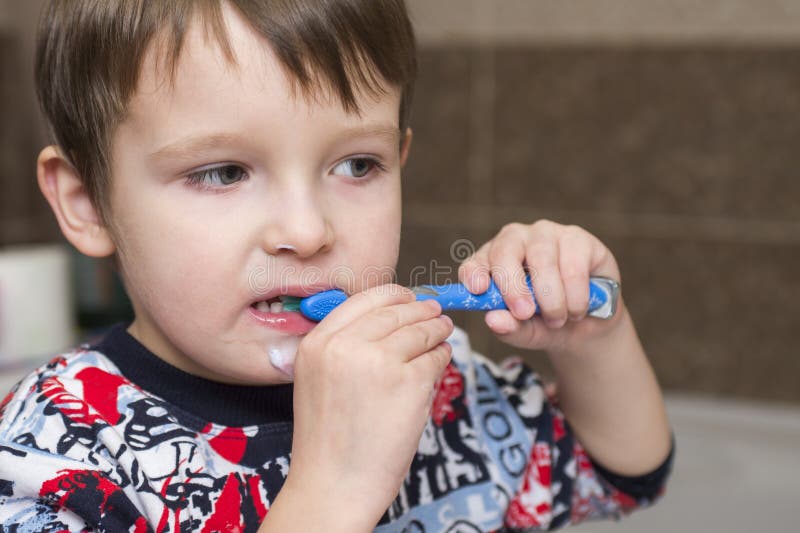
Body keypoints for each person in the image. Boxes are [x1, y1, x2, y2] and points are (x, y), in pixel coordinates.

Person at [0, 0, 674, 530]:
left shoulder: (428, 374)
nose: (308, 229)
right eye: (223, 171)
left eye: (358, 164)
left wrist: (593, 342)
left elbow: (620, 472)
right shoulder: (53, 453)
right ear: (86, 201)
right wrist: (334, 490)